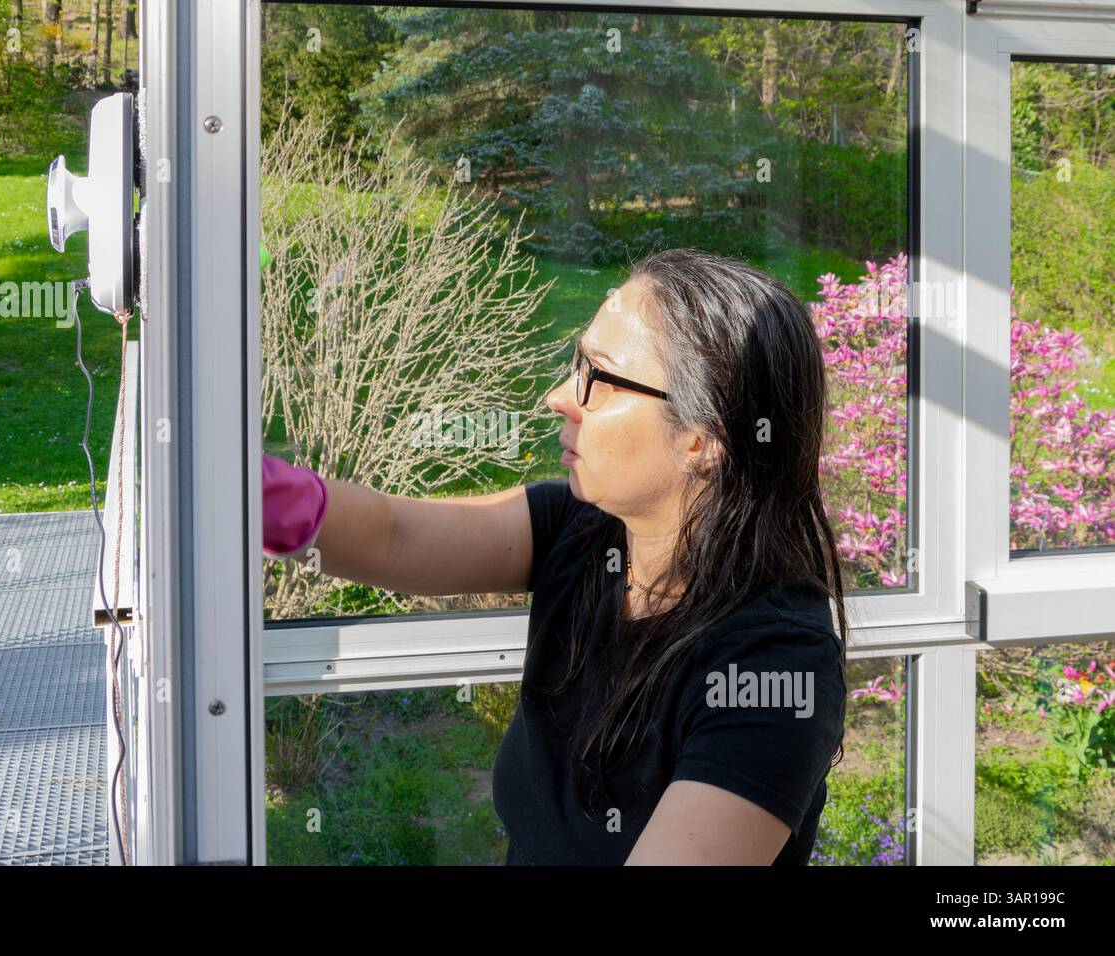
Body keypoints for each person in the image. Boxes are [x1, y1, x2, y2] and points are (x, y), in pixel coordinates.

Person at [261, 247, 849, 865]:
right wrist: (253, 494)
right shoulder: (583, 530)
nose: (558, 397)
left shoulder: (774, 671)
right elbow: (395, 537)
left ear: (702, 437)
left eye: (598, 377)